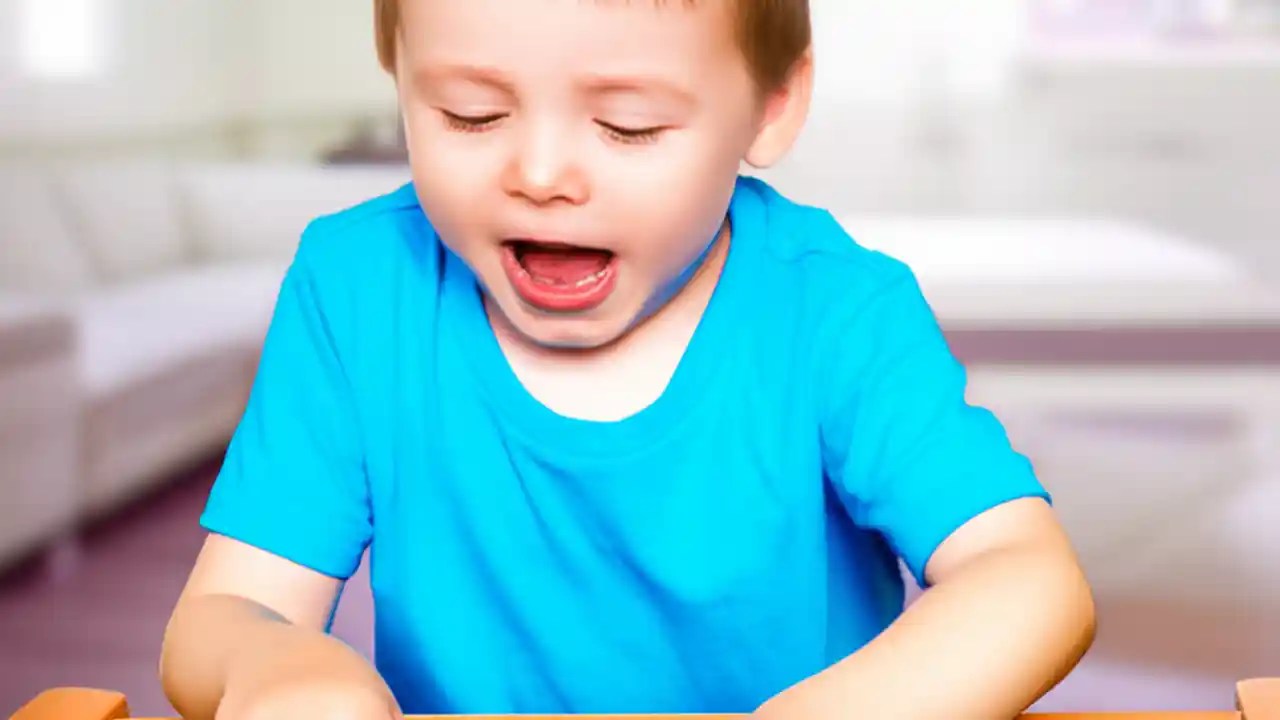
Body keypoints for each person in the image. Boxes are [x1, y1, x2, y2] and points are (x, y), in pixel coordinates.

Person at [158, 1, 1097, 719]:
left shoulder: (835, 309)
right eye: (470, 114)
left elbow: (1026, 576)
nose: (540, 174)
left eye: (630, 126)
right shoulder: (358, 286)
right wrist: (278, 669)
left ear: (770, 108)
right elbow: (224, 612)